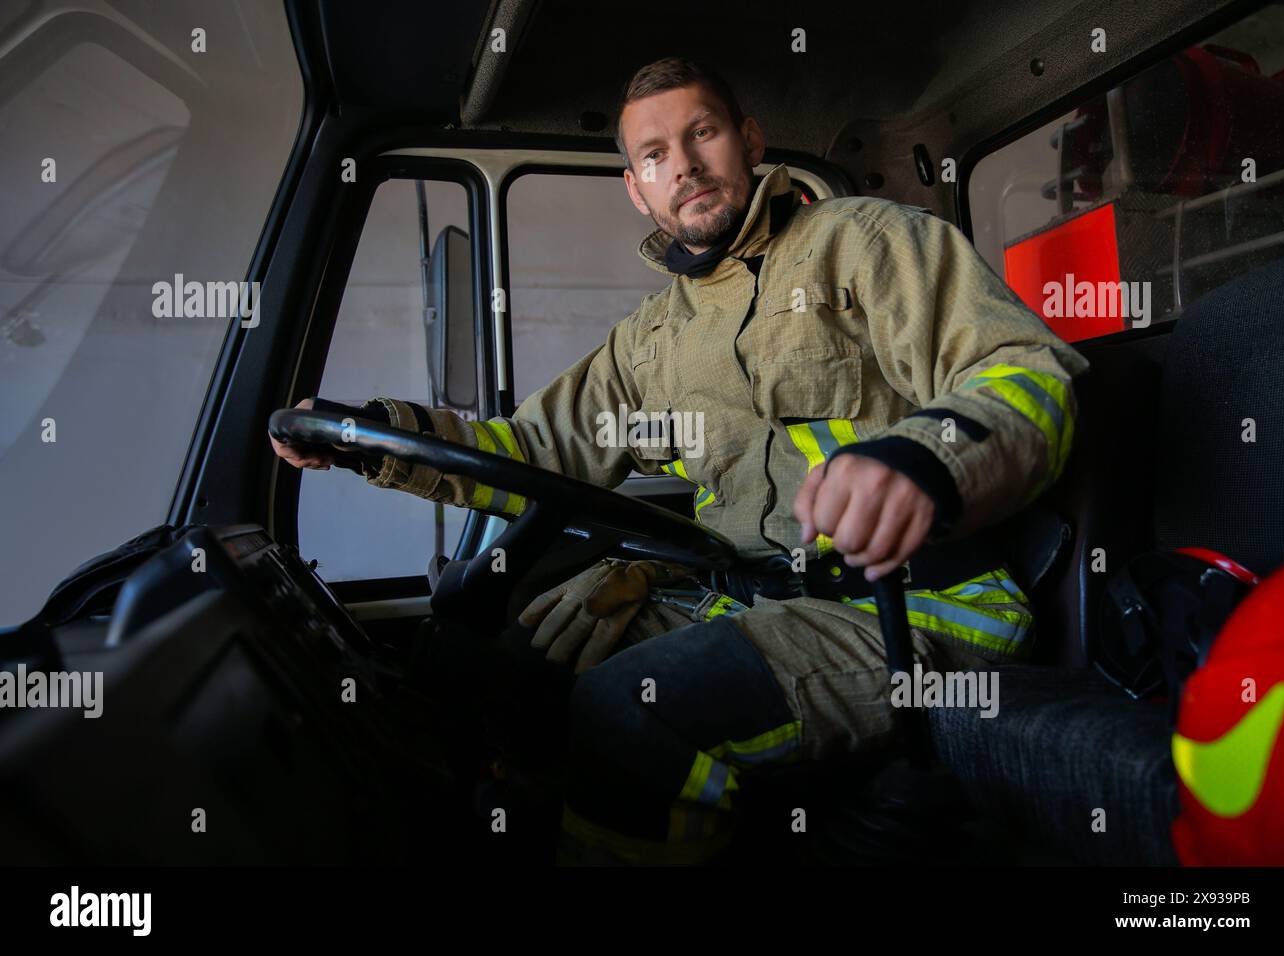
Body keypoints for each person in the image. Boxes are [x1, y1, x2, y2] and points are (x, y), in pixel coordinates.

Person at [271, 56, 1089, 864]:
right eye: (655, 155)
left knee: (633, 713)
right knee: (490, 660)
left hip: (914, 607)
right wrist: (367, 434)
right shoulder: (651, 338)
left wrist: (925, 462)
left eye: (703, 133)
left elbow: (1021, 372)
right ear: (637, 188)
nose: (686, 166)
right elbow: (532, 450)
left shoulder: (866, 243)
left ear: (749, 139)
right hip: (743, 599)